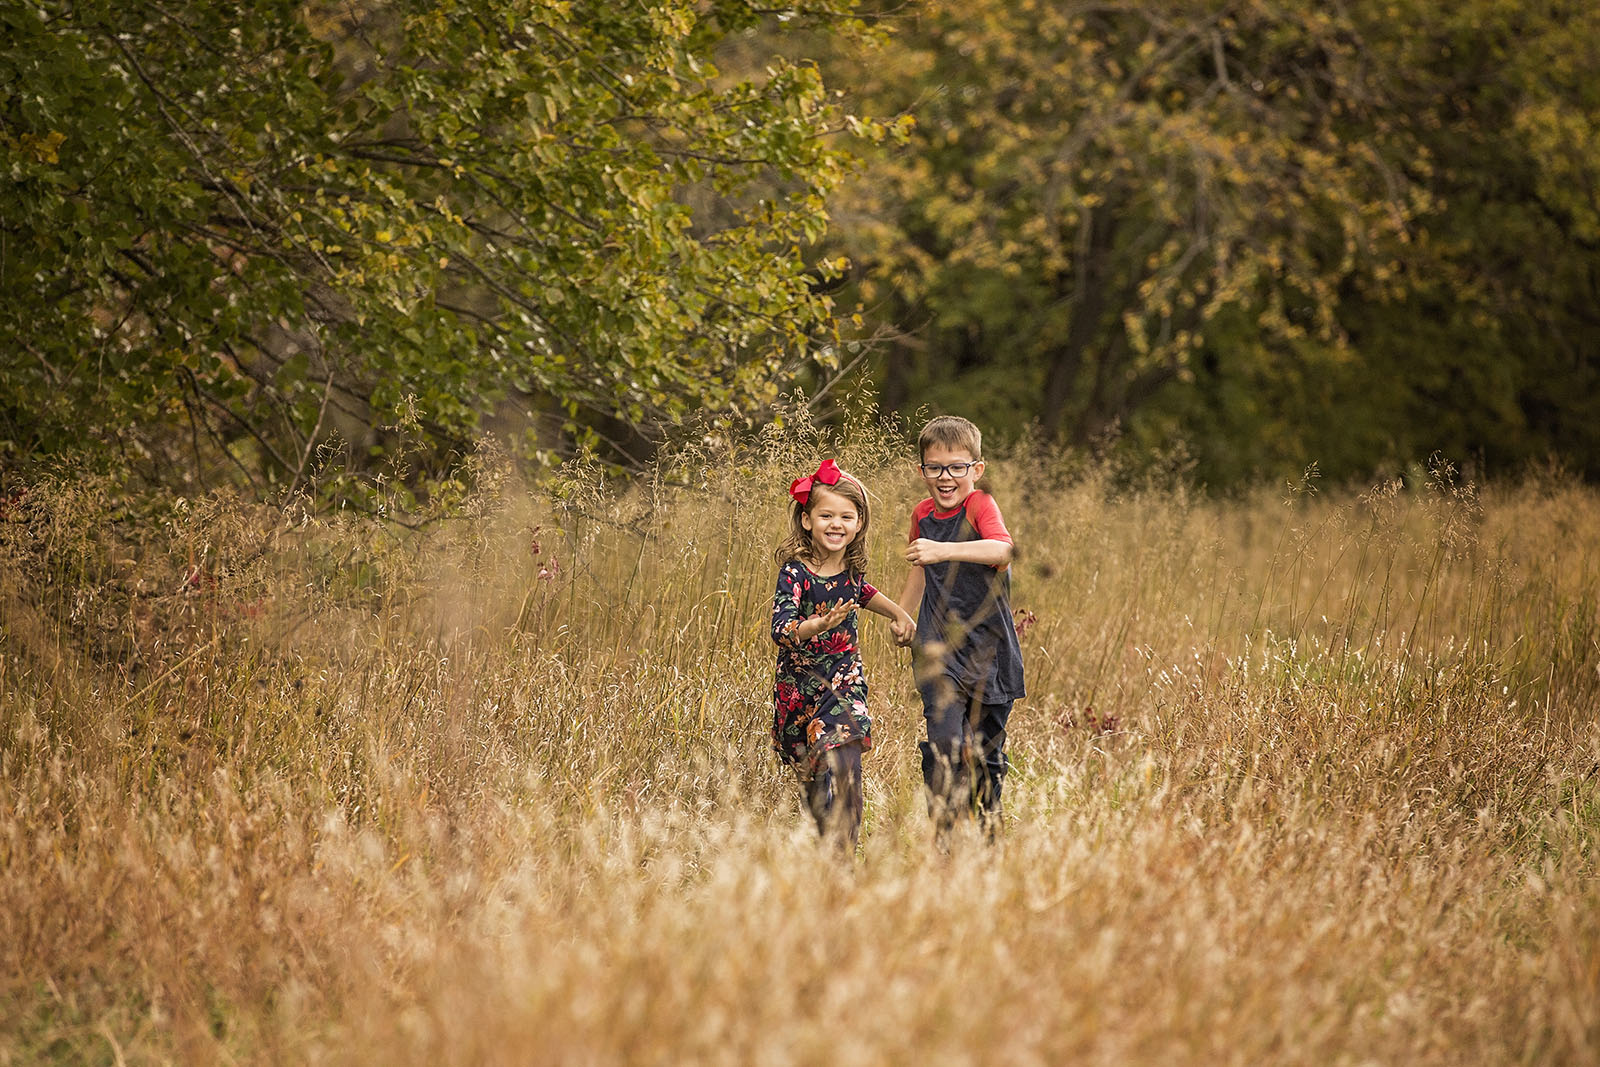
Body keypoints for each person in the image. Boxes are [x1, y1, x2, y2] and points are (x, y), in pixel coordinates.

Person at [772, 459, 916, 849]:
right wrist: (817, 626)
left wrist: (900, 614)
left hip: (844, 683)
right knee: (816, 788)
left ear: (858, 525)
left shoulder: (851, 572)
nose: (836, 524)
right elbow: (780, 630)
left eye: (846, 517)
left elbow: (865, 595)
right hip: (799, 690)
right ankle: (826, 853)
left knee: (848, 761)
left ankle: (846, 858)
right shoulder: (795, 573)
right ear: (807, 520)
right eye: (826, 515)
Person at [897, 416, 1025, 840]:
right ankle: (945, 836)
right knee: (946, 745)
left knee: (987, 758)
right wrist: (903, 614)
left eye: (957, 467)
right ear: (922, 471)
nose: (945, 477)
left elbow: (1002, 550)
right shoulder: (922, 513)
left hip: (988, 650)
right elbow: (920, 567)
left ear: (977, 470)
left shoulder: (980, 505)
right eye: (935, 467)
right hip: (937, 647)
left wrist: (944, 549)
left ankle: (987, 835)